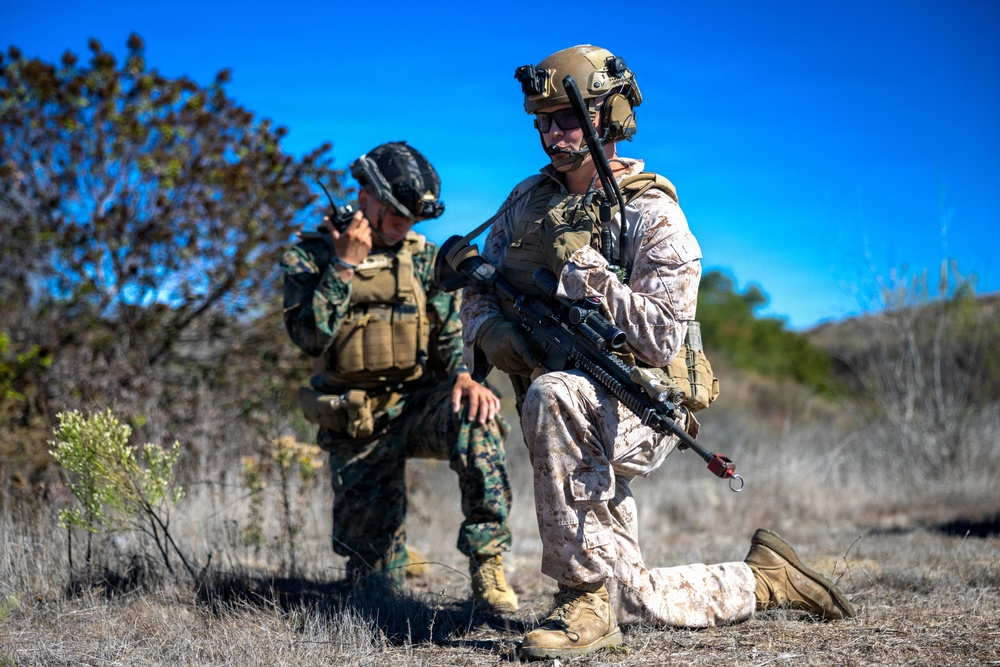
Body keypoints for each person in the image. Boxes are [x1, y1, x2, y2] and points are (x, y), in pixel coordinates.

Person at [458, 45, 856, 659]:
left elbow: (661, 336)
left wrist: (585, 271)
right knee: (632, 596)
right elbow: (480, 281)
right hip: (565, 399)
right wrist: (489, 337)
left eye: (566, 116)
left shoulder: (652, 213)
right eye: (542, 119)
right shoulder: (524, 203)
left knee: (555, 392)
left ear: (608, 115)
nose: (551, 132)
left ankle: (580, 596)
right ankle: (766, 580)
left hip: (644, 400)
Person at [281, 141, 518, 614]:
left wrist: (466, 377)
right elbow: (309, 337)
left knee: (478, 414)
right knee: (371, 583)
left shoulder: (424, 258)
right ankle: (391, 550)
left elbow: (450, 333)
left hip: (415, 407)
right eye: (394, 213)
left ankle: (488, 561)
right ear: (363, 194)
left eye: (411, 218)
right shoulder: (309, 257)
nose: (402, 226)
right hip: (356, 420)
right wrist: (345, 265)